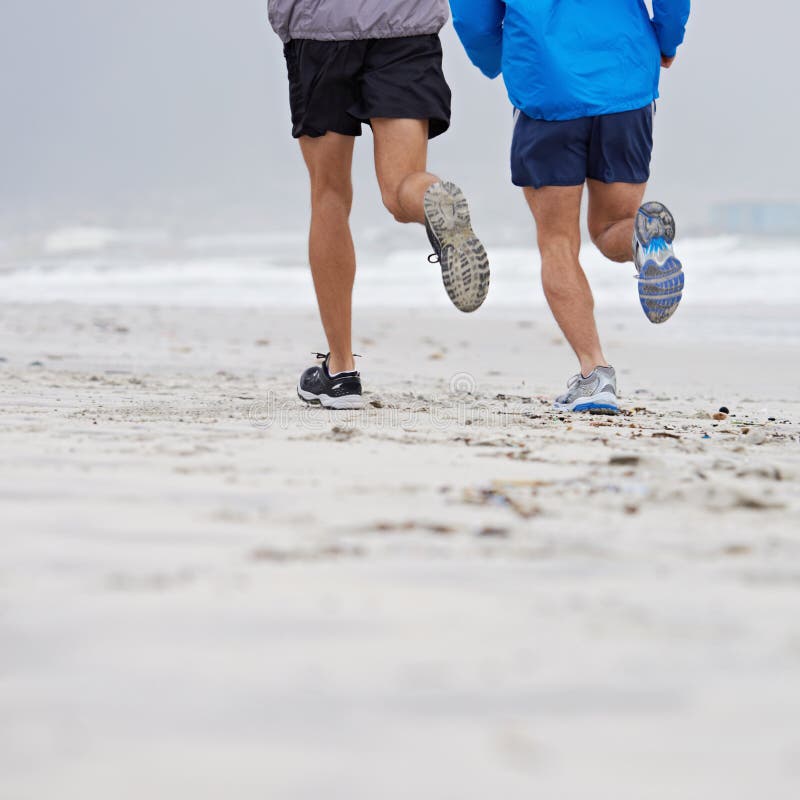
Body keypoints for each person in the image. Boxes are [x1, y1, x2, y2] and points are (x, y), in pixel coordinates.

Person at [450, 0, 691, 413]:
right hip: (625, 75)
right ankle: (644, 240)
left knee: (558, 241)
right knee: (615, 223)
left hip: (546, 85)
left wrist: (499, 60)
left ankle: (595, 374)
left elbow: (472, 15)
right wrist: (667, 39)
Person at [267, 0, 490, 410]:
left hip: (321, 30)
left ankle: (341, 371)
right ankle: (432, 199)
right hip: (406, 26)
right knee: (401, 185)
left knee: (329, 194)